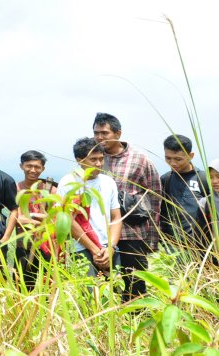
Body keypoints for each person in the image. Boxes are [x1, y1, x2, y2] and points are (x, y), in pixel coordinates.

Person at [93, 112, 161, 300]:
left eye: (104, 133)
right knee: (103, 283)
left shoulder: (140, 159)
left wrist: (153, 238)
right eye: (96, 133)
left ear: (118, 133)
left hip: (134, 232)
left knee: (135, 282)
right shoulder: (94, 158)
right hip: (102, 233)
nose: (99, 138)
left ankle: (137, 321)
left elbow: (155, 196)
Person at [57, 137, 122, 276]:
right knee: (90, 293)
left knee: (115, 292)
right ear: (80, 160)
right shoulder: (69, 183)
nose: (99, 163)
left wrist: (111, 247)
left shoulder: (108, 182)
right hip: (81, 248)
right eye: (93, 160)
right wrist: (94, 250)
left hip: (108, 248)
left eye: (101, 158)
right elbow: (68, 220)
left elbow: (116, 217)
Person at [1, 150, 57, 286]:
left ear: (43, 168)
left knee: (50, 287)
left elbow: (55, 219)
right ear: (22, 166)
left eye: (37, 167)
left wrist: (31, 218)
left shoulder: (50, 190)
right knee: (22, 287)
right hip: (24, 247)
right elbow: (18, 219)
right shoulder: (16, 189)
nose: (33, 170)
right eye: (29, 166)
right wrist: (40, 217)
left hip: (47, 248)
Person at [159, 134, 211, 254]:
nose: (172, 163)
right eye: (168, 158)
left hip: (202, 245)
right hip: (173, 246)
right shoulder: (165, 179)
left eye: (178, 159)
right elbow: (163, 212)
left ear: (190, 156)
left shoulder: (203, 179)